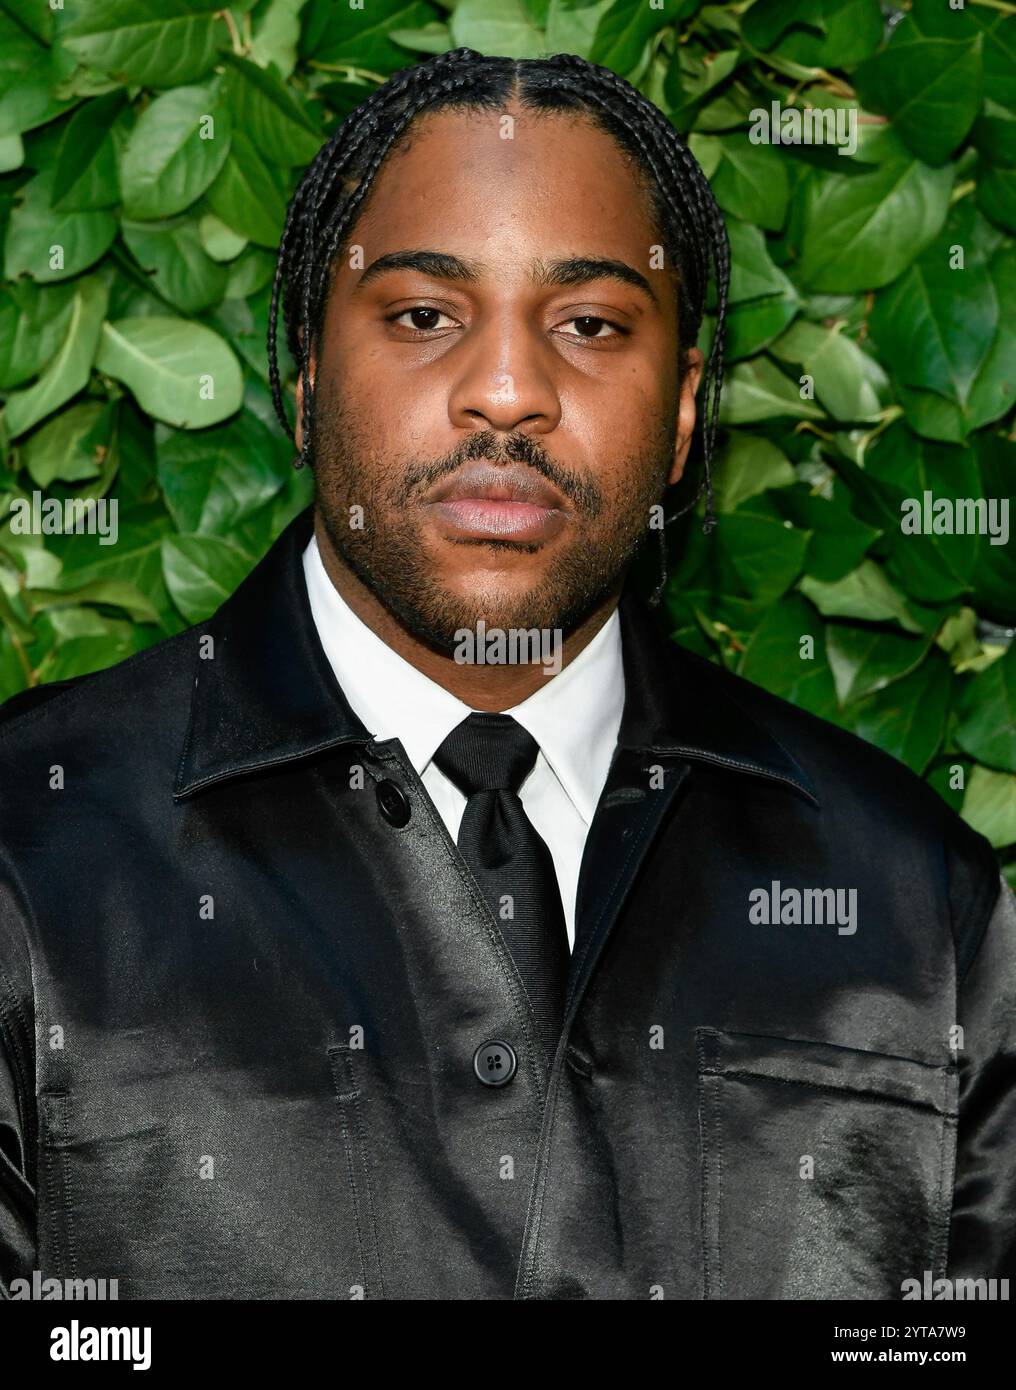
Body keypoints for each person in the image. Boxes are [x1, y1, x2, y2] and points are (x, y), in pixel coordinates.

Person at [0, 49, 1012, 1302]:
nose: (506, 392)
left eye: (588, 324)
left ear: (685, 408)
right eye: (424, 314)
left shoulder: (914, 902)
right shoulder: (32, 850)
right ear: (307, 371)